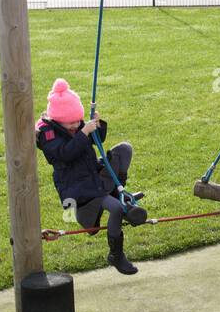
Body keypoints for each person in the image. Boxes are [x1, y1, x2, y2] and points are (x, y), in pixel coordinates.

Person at [35, 78, 146, 275]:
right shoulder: (47, 134)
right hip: (79, 191)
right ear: (58, 118)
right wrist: (84, 132)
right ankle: (116, 255)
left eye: (79, 120)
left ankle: (118, 193)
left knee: (124, 150)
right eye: (73, 122)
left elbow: (98, 139)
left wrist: (96, 123)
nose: (77, 124)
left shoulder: (73, 125)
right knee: (117, 210)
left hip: (93, 177)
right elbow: (64, 154)